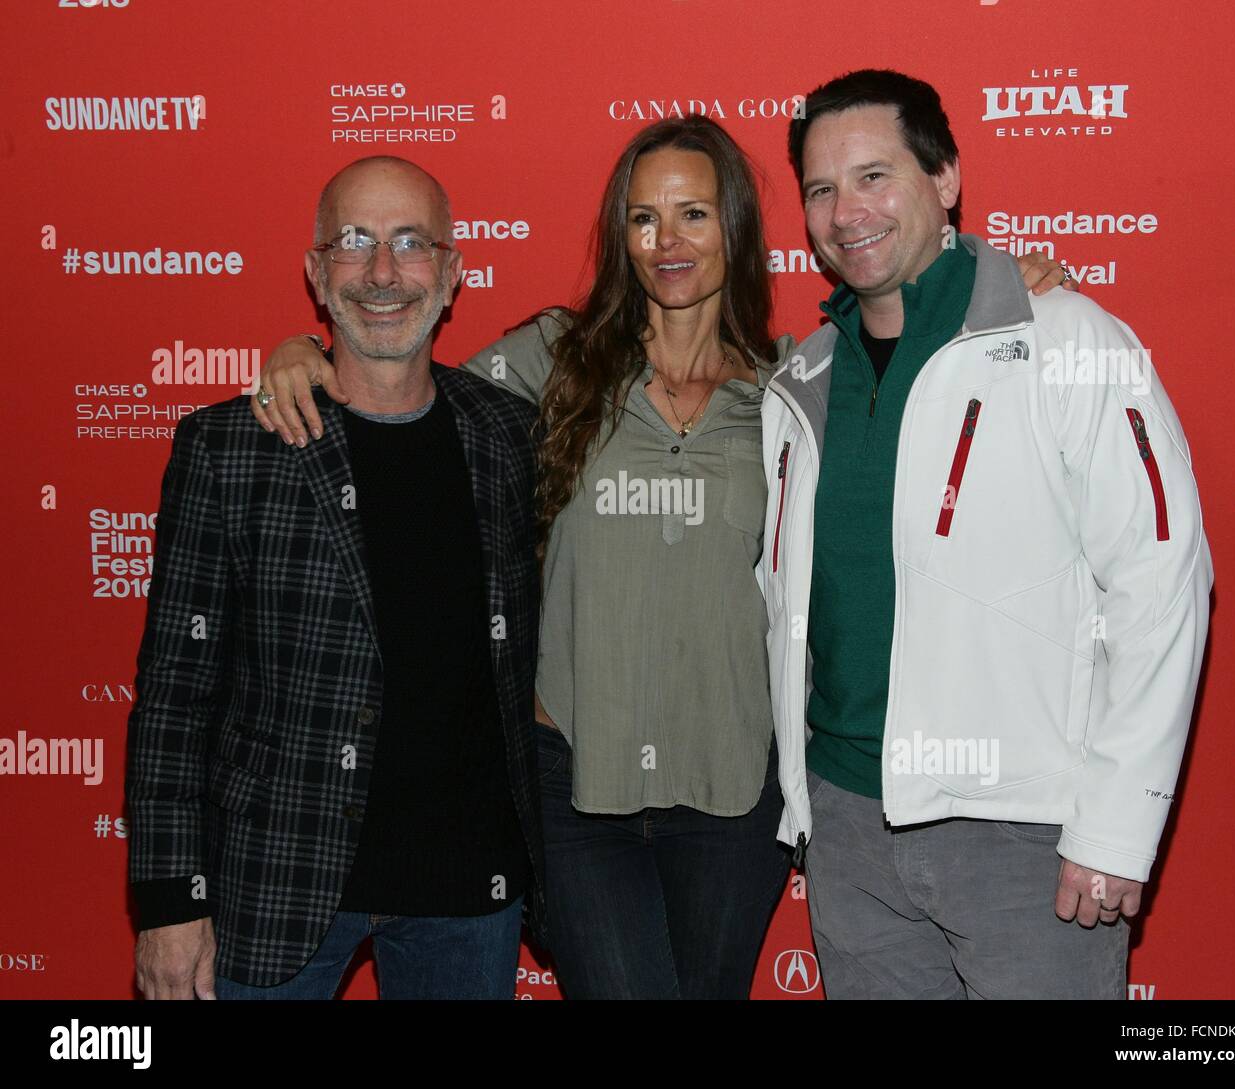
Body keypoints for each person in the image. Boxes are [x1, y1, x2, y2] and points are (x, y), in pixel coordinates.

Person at [252, 117, 1068, 999]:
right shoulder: (556, 360)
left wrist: (991, 288)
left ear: (737, 229)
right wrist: (306, 351)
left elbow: (919, 368)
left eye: (693, 215)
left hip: (732, 797)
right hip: (577, 791)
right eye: (643, 219)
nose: (666, 242)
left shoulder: (793, 386)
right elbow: (406, 388)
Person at [760, 69, 1212, 999]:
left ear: (947, 179)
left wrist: (1117, 829)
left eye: (875, 176)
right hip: (848, 826)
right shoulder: (797, 384)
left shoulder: (1071, 340)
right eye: (820, 189)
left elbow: (1161, 582)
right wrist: (813, 811)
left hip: (1026, 839)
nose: (847, 211)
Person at [127, 156, 544, 999]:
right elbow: (175, 693)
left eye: (410, 243)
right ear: (317, 273)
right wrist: (171, 901)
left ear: (454, 272)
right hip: (274, 882)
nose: (383, 273)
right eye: (354, 242)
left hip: (468, 890)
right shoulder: (227, 446)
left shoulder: (511, 436)